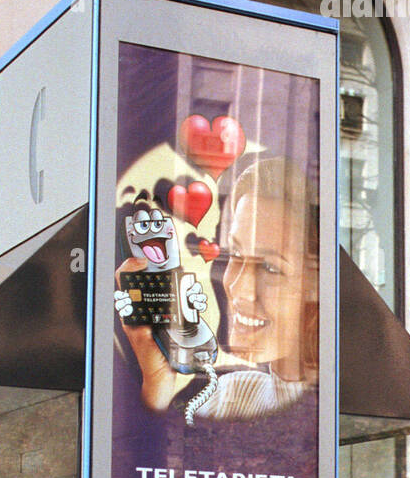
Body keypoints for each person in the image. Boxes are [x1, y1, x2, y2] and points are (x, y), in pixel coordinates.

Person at [117, 157, 318, 421]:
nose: (238, 287)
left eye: (270, 268)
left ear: (316, 287)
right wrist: (157, 382)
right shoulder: (226, 395)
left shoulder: (332, 413)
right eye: (235, 252)